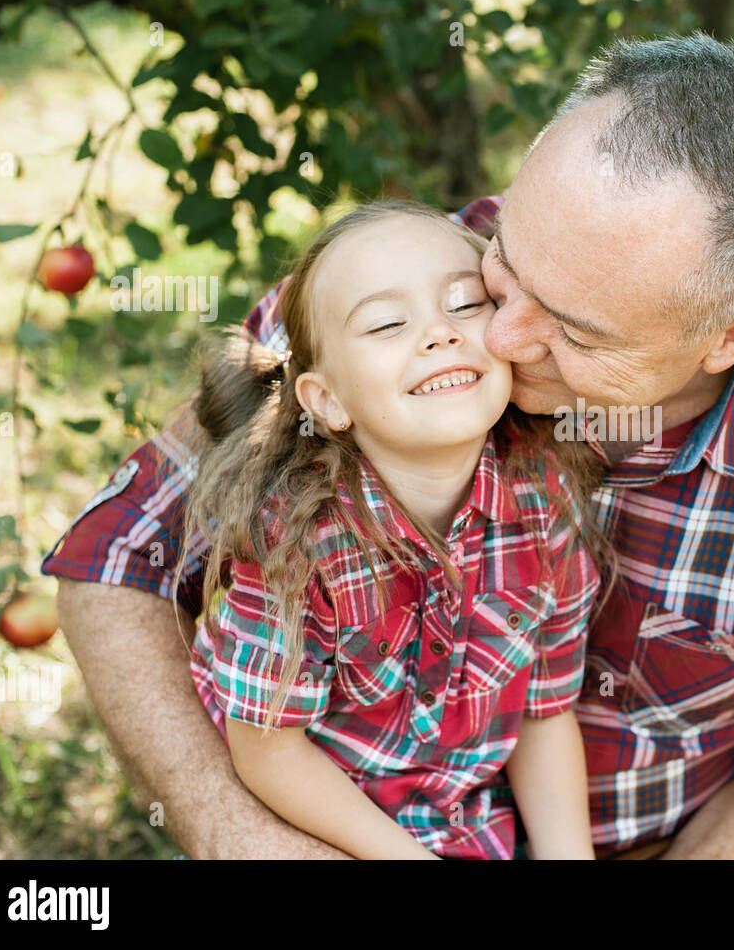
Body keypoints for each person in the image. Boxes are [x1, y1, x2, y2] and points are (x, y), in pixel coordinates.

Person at [46, 33, 734, 860]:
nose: (497, 333)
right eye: (508, 265)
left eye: (576, 331)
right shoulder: (401, 288)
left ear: (727, 337)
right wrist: (231, 828)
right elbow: (116, 553)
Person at [177, 200, 607, 859]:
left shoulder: (545, 507)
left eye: (465, 305)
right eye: (386, 322)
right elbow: (268, 751)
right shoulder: (297, 542)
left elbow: (544, 715)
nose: (439, 333)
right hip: (308, 830)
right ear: (327, 400)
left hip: (460, 829)